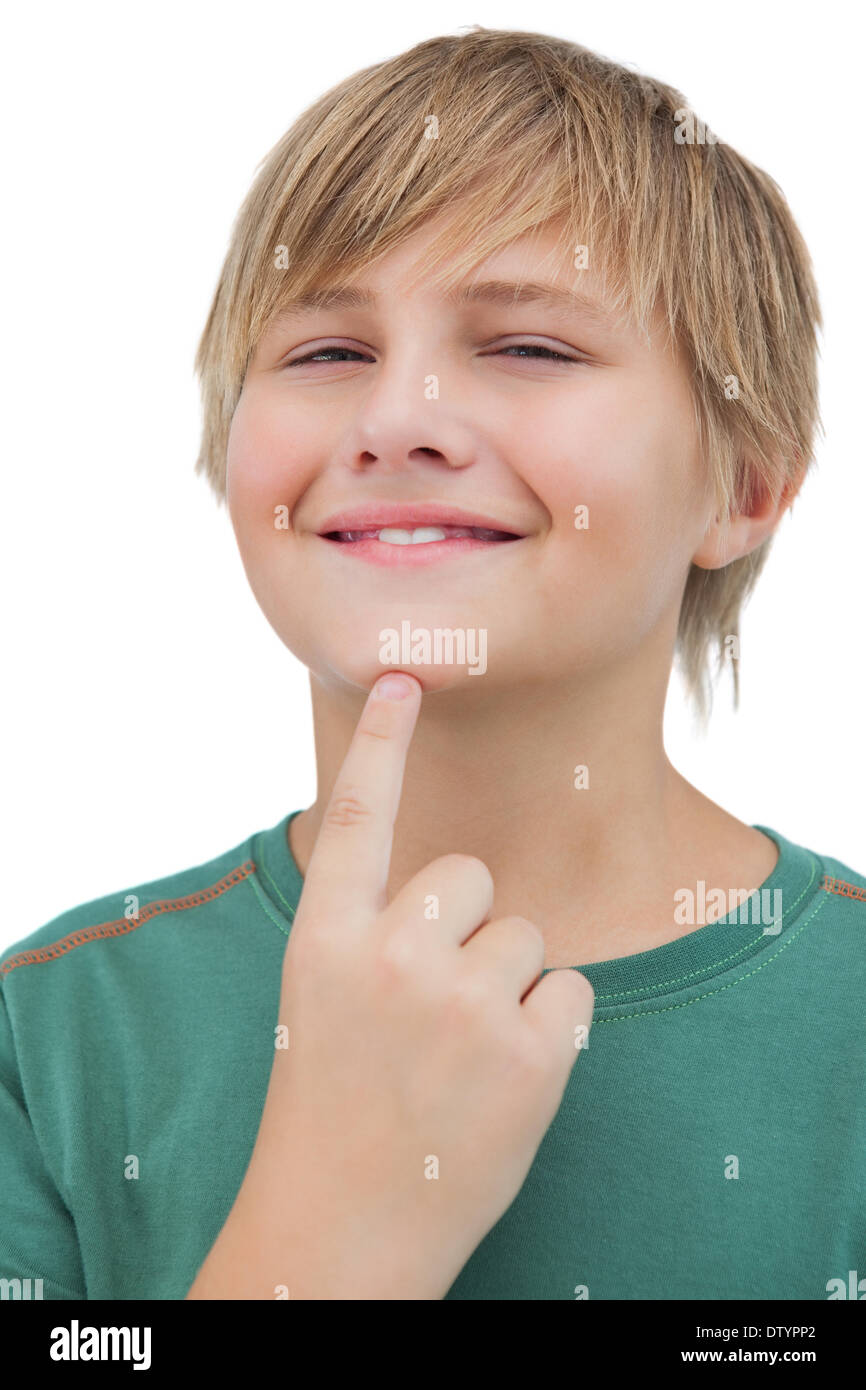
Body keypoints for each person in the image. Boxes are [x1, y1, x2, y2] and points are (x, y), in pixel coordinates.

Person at [1, 27, 863, 1302]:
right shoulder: (52, 1038)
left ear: (741, 484)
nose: (393, 419)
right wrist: (328, 1229)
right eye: (326, 353)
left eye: (527, 348)